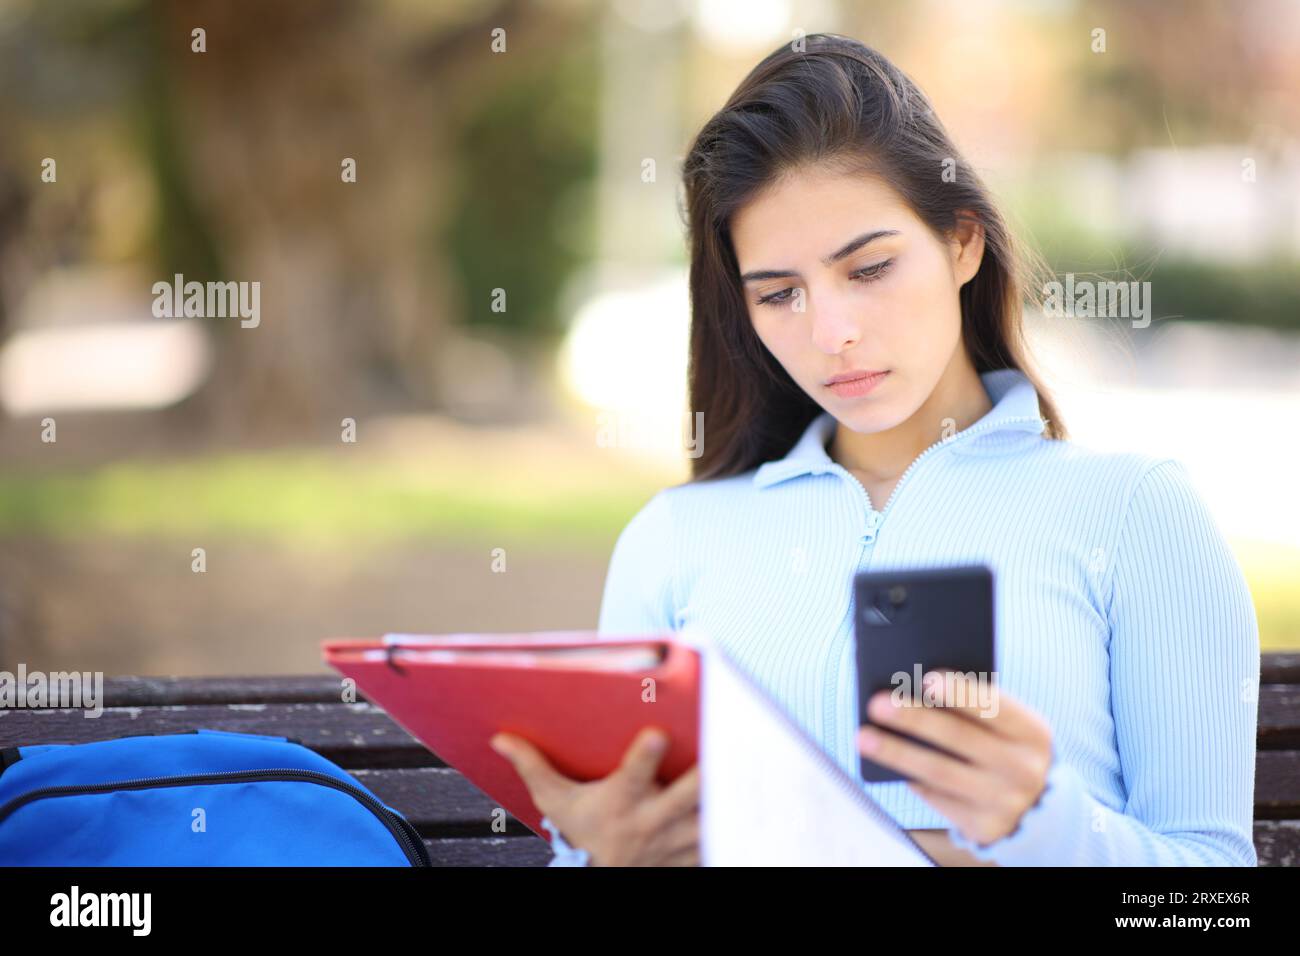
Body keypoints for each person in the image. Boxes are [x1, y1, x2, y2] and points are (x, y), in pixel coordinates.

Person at [490, 33, 1260, 867]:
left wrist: (1041, 823)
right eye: (780, 293)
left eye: (868, 269)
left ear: (962, 242)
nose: (832, 333)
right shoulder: (671, 540)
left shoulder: (1133, 512)